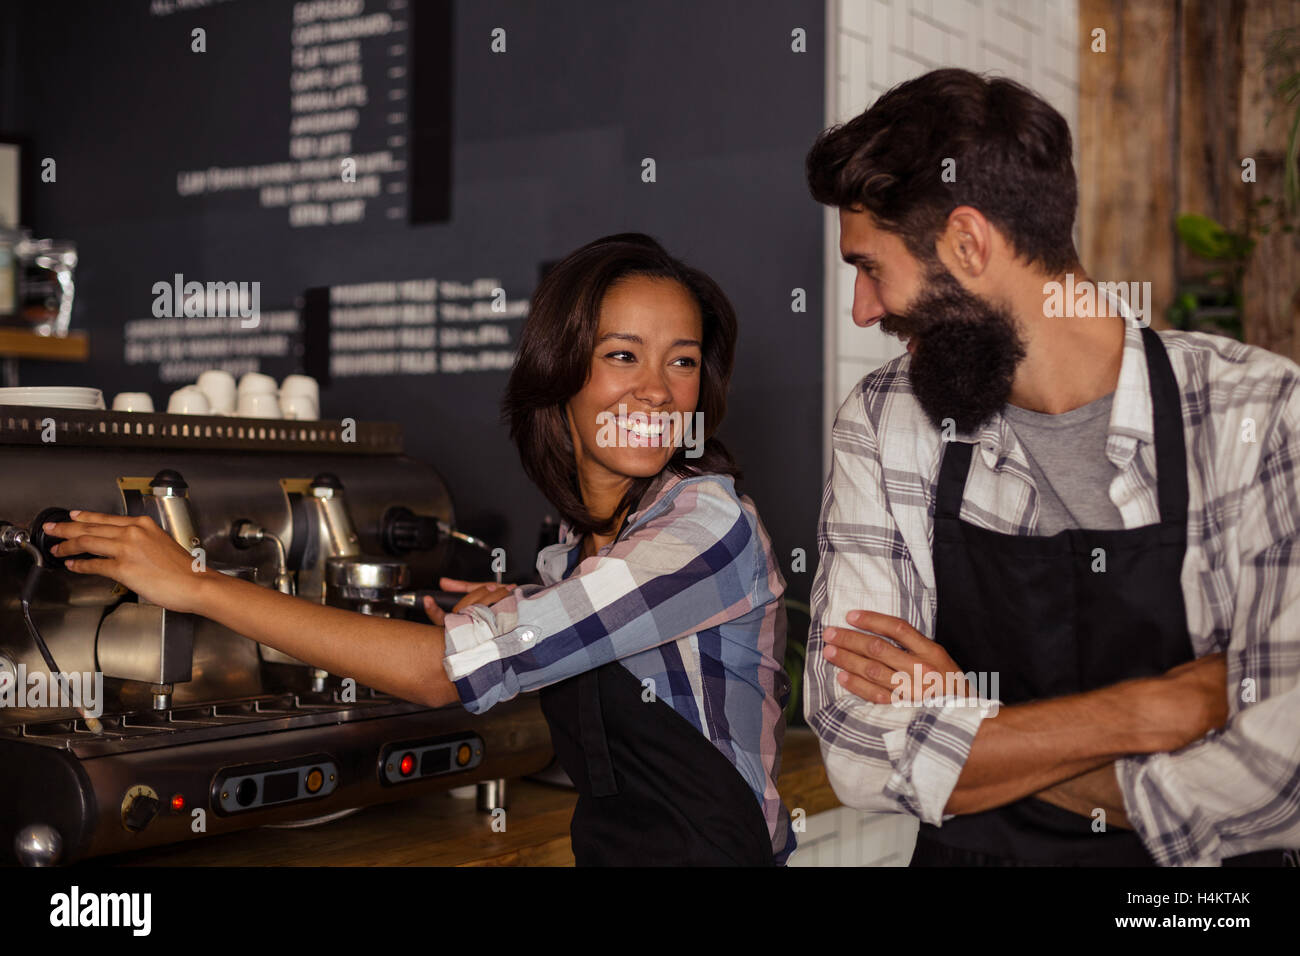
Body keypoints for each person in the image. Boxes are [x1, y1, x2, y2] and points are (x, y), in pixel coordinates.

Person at [46, 232, 794, 866]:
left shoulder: (706, 524)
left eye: (683, 361)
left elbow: (440, 677)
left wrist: (198, 585)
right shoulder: (587, 540)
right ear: (560, 370)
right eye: (623, 356)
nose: (658, 392)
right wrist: (519, 610)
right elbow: (603, 627)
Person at [802, 68, 1299, 866]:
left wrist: (970, 720)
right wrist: (1149, 713)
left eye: (870, 268)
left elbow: (1281, 775)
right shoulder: (885, 417)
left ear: (969, 243)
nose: (864, 310)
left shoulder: (1263, 413)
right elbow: (861, 753)